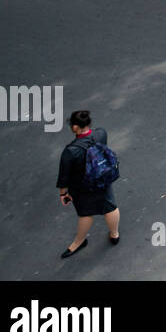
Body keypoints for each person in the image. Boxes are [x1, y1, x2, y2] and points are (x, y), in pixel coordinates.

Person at [56, 110, 120, 258]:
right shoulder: (101, 133)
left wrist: (63, 194)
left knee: (85, 214)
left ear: (75, 127)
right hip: (103, 179)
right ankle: (114, 234)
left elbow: (64, 177)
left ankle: (79, 241)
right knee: (110, 207)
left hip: (82, 187)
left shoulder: (71, 151)